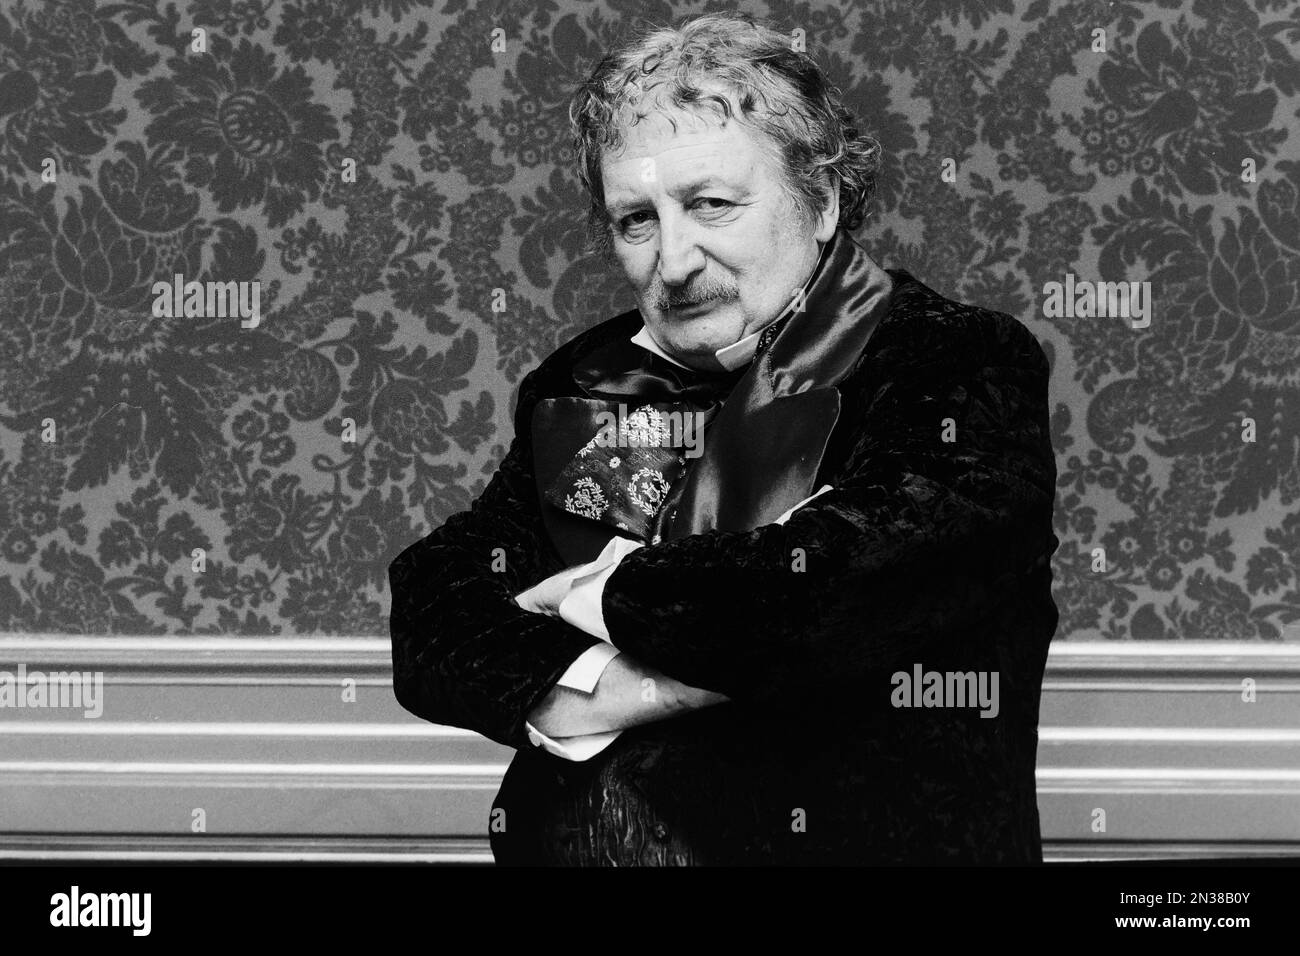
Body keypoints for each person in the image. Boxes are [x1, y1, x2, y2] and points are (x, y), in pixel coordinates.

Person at [388, 12, 1060, 865]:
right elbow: (434, 613)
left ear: (820, 202)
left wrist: (585, 597)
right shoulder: (585, 383)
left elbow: (827, 595)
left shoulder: (953, 362)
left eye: (710, 204)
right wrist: (618, 688)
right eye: (637, 220)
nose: (672, 261)